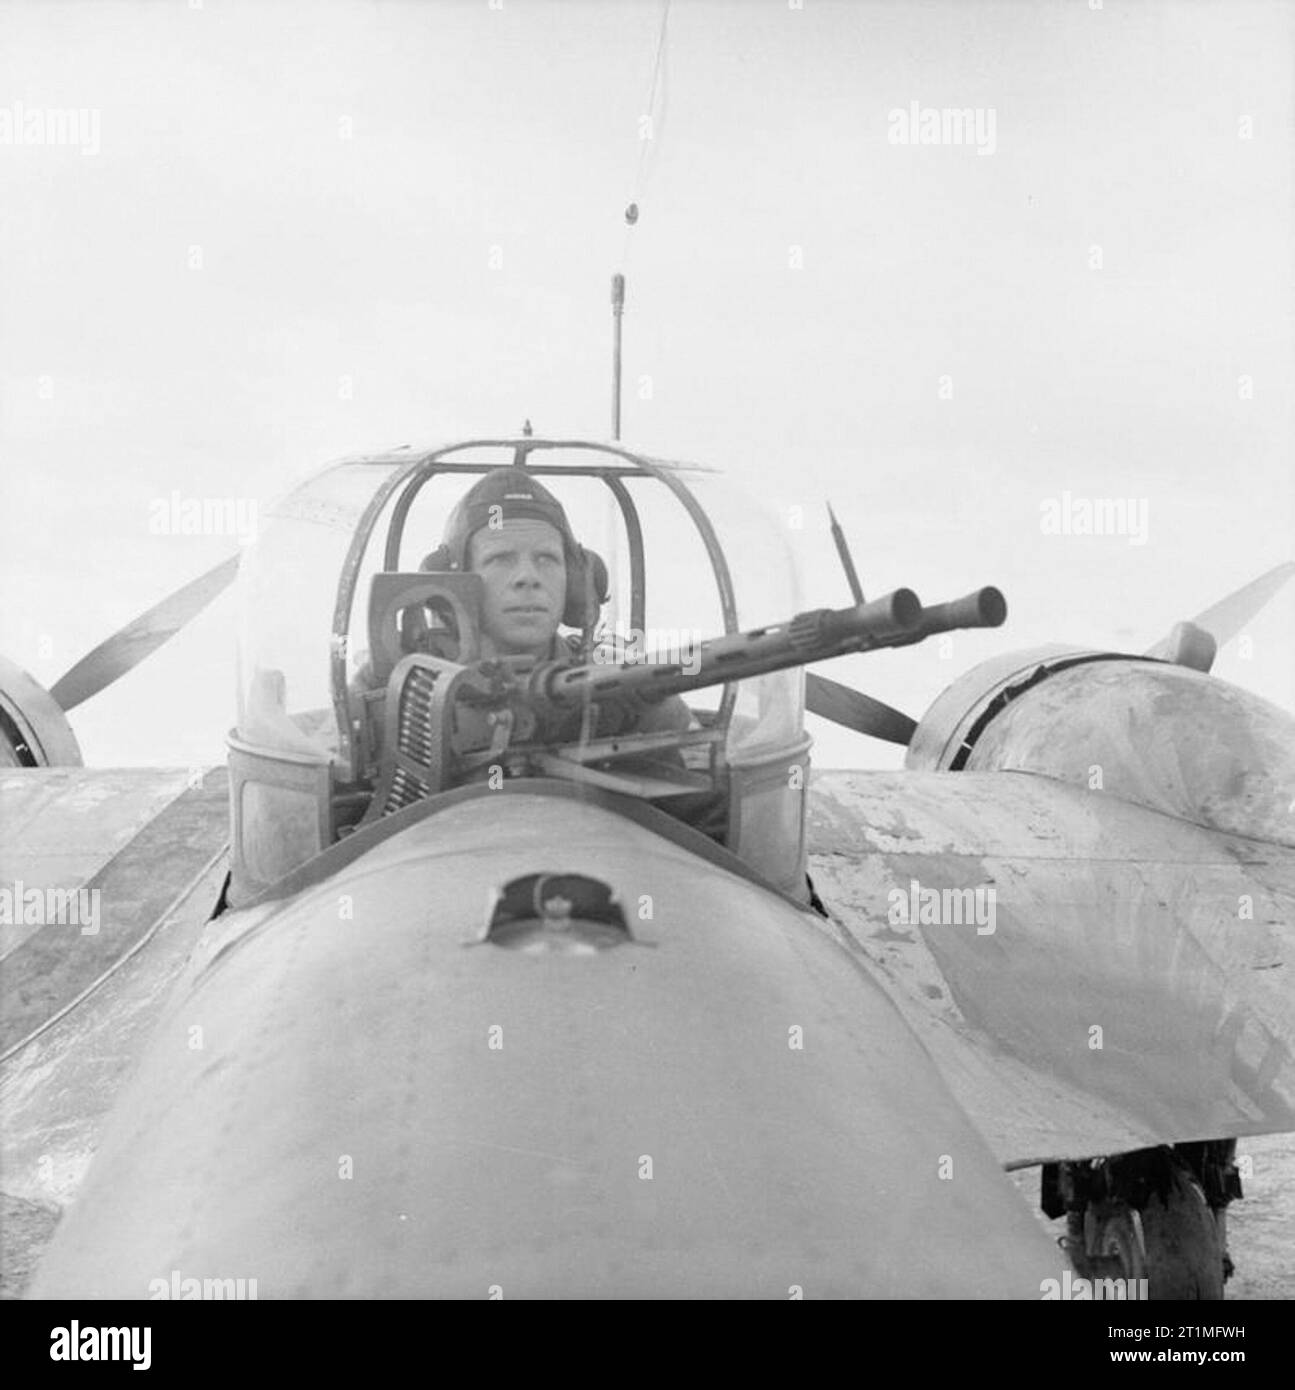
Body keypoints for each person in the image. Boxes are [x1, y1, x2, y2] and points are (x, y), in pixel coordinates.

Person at [422, 467, 692, 743]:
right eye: (500, 559)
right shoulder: (412, 689)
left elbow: (693, 762)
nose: (528, 577)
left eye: (546, 559)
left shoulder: (622, 685)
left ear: (576, 580)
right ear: (453, 583)